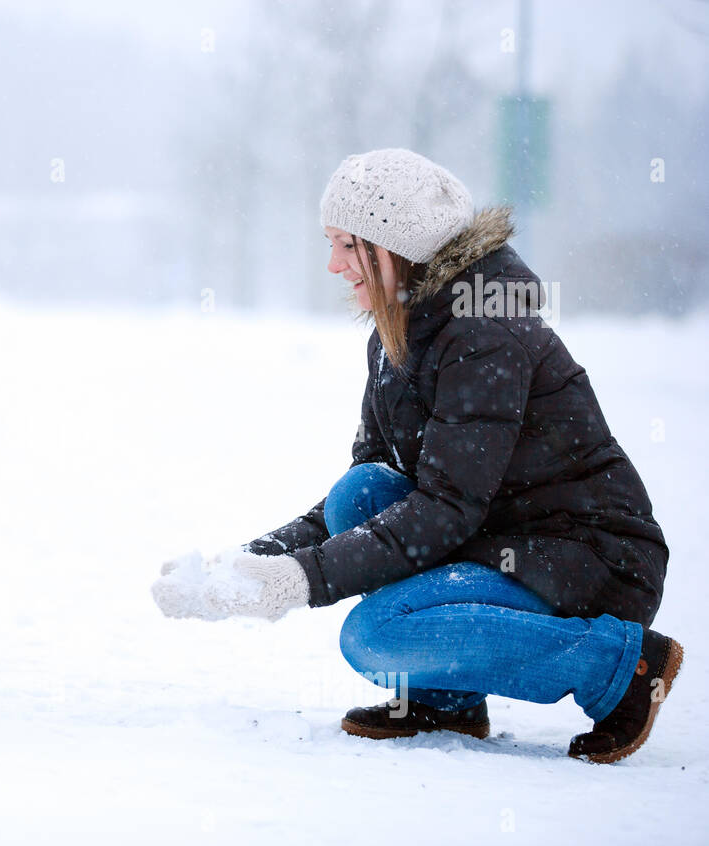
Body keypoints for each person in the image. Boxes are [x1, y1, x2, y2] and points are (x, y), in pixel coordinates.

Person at [152, 148, 680, 764]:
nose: (332, 264)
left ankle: (621, 665)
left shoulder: (485, 333)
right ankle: (446, 700)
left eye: (348, 245)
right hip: (499, 535)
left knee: (375, 636)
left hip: (585, 553)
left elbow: (446, 509)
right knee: (364, 492)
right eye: (331, 243)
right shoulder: (398, 332)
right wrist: (247, 564)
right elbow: (372, 490)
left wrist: (300, 581)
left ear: (395, 246)